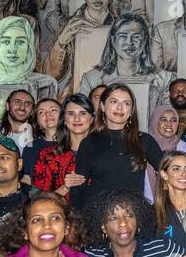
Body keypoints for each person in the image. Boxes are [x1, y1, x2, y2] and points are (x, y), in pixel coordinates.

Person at [74, 83, 165, 215]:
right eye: (114, 101)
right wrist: (75, 223)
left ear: (131, 110)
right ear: (103, 106)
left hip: (132, 217)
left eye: (126, 103)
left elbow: (170, 171)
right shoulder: (89, 143)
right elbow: (78, 188)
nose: (120, 107)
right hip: (97, 218)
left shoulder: (144, 140)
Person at [0, 16, 60, 130]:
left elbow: (48, 129)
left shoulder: (46, 84)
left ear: (29, 46)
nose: (12, 49)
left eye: (20, 42)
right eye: (6, 41)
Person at [77, 12, 172, 109]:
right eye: (123, 36)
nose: (129, 42)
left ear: (144, 41)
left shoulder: (164, 80)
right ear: (113, 40)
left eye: (136, 37)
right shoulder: (91, 79)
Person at [30, 94, 96, 196]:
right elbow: (39, 200)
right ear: (64, 120)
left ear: (91, 119)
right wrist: (65, 187)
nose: (76, 119)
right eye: (70, 113)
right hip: (61, 210)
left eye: (83, 113)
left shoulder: (104, 152)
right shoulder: (48, 155)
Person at [22, 98, 61, 177]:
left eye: (53, 110)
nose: (47, 114)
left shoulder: (74, 143)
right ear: (38, 123)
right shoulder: (31, 147)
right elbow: (26, 179)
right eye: (41, 112)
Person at [0, 89, 36, 155]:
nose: (22, 107)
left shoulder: (38, 138)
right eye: (17, 102)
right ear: (7, 106)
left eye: (28, 104)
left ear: (32, 111)